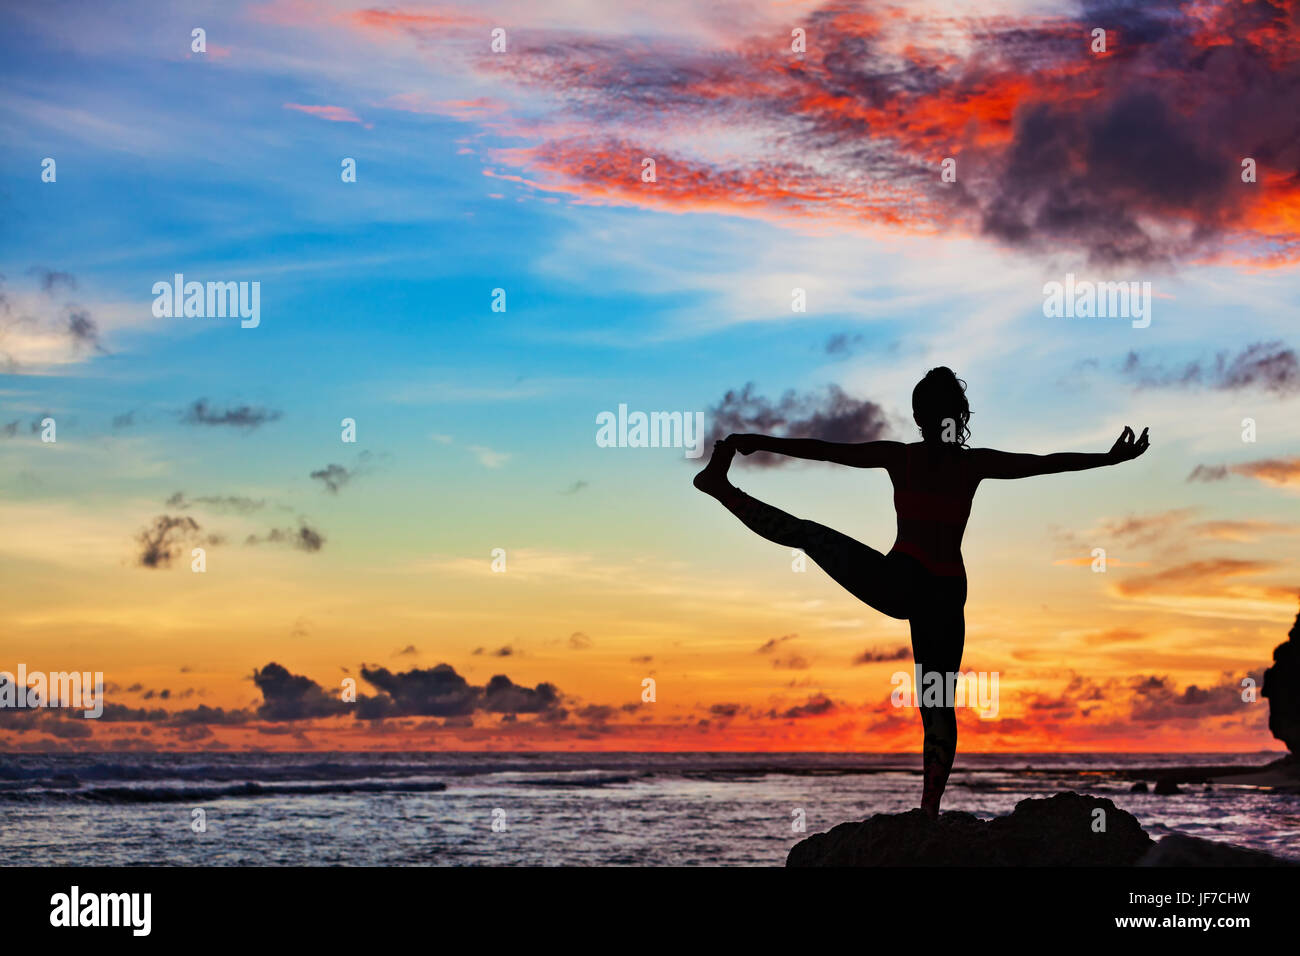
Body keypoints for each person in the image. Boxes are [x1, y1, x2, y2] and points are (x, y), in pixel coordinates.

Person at [693, 366, 1150, 818]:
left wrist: (760, 441)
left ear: (923, 415)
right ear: (957, 414)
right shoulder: (962, 462)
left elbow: (826, 450)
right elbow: (1045, 464)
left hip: (909, 585)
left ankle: (721, 488)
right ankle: (929, 809)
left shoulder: (913, 458)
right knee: (938, 701)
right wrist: (1107, 460)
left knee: (811, 537)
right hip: (941, 591)